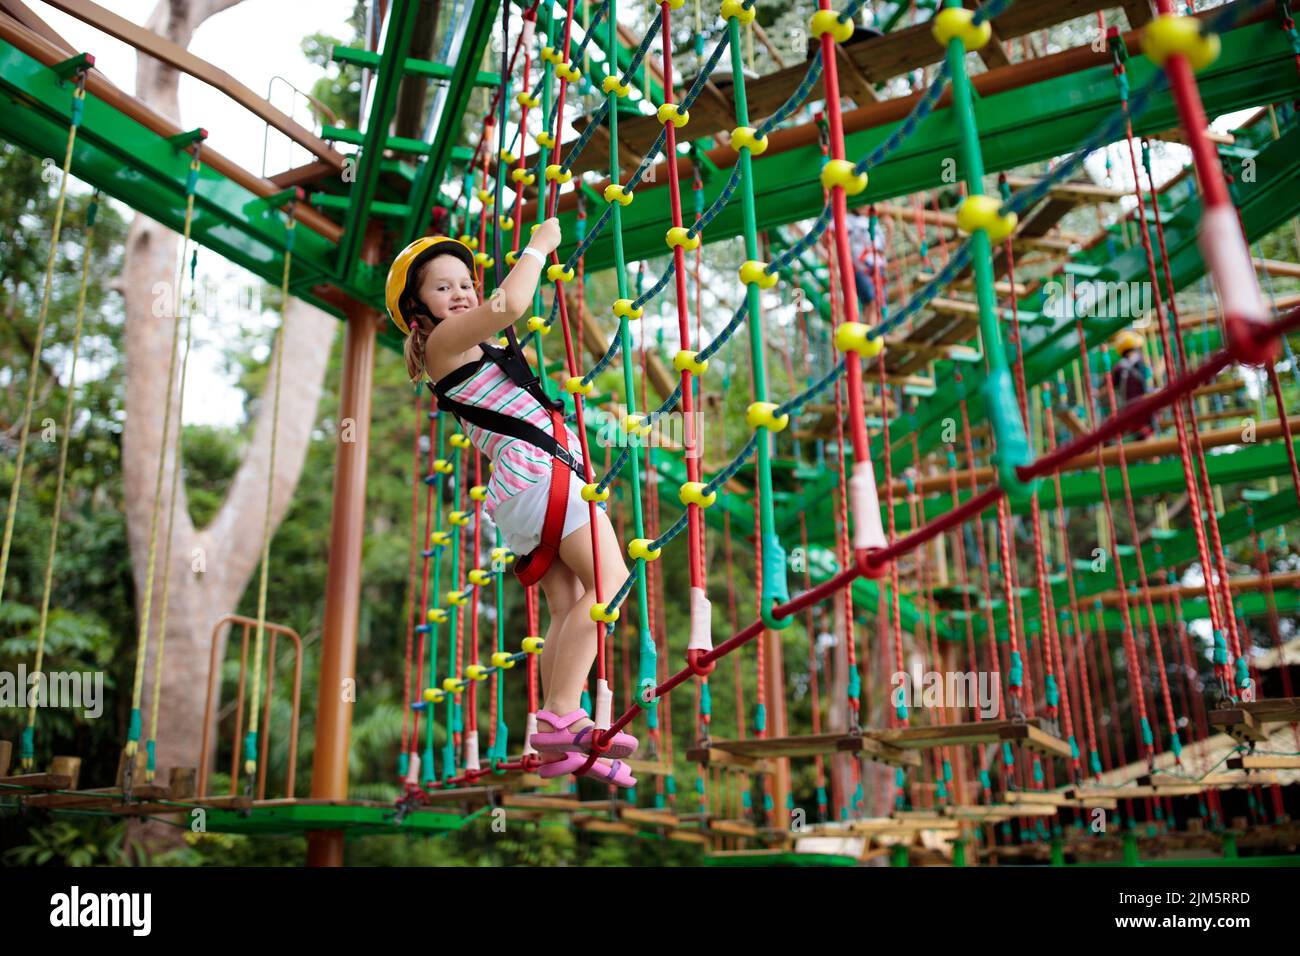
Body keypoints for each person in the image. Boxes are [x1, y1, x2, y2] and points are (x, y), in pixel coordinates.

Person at [385, 221, 638, 788]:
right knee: (611, 584)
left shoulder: (479, 351)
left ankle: (555, 732)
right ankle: (563, 713)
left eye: (464, 283)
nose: (460, 294)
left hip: (529, 489)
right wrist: (538, 247)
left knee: (567, 605)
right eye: (442, 288)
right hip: (540, 479)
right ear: (418, 313)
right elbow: (512, 303)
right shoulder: (445, 345)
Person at [1109, 328, 1155, 439]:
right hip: (1145, 402)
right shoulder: (1144, 360)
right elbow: (1152, 376)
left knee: (1137, 432)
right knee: (1149, 430)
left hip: (1129, 406)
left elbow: (1111, 386)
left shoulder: (1118, 367)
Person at [845, 205, 886, 315]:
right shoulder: (848, 219)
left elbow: (882, 246)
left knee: (880, 302)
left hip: (877, 265)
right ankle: (870, 325)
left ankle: (879, 325)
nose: (864, 207)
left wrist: (890, 228)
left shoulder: (872, 221)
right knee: (870, 302)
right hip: (861, 267)